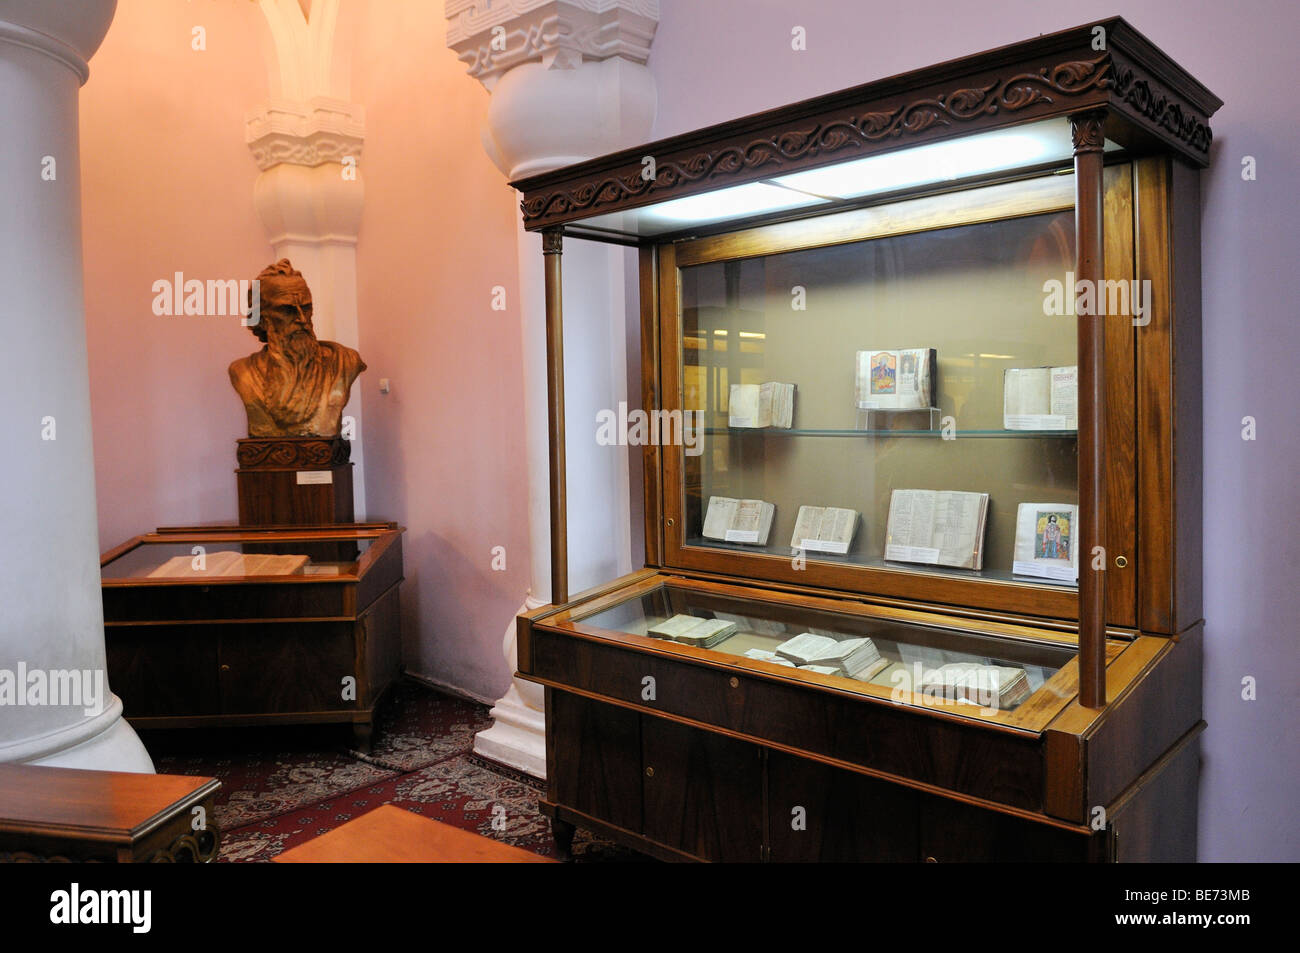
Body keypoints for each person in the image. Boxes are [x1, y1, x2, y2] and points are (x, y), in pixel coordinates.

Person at [228, 260, 365, 437]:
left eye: (306, 307)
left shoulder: (344, 362)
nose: (302, 318)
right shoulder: (243, 372)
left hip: (323, 455)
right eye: (287, 310)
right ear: (261, 319)